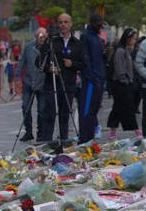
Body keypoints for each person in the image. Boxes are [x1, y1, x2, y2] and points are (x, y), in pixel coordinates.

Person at [41, 13, 84, 143]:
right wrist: (49, 68)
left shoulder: (77, 44)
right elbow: (40, 61)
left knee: (65, 115)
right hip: (52, 84)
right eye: (60, 22)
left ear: (70, 24)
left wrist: (72, 64)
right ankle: (47, 142)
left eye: (66, 22)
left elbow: (83, 64)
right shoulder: (51, 41)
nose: (63, 25)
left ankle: (64, 141)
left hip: (68, 84)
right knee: (49, 114)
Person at [107, 28, 140, 139]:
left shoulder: (125, 50)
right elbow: (120, 69)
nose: (134, 41)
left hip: (124, 83)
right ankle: (137, 131)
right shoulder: (120, 51)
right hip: (121, 84)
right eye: (133, 39)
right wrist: (127, 81)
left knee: (118, 107)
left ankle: (113, 131)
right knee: (128, 107)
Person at [78, 13, 106, 144]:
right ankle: (85, 138)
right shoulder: (86, 37)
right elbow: (86, 59)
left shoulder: (97, 38)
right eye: (98, 25)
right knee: (87, 110)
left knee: (94, 109)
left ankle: (90, 136)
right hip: (90, 80)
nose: (100, 27)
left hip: (99, 78)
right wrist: (92, 76)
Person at [16, 27, 47, 141]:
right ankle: (28, 131)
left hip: (43, 82)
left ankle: (40, 133)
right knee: (25, 106)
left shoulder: (48, 48)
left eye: (43, 36)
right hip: (29, 81)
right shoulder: (29, 47)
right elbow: (22, 62)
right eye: (39, 36)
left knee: (42, 109)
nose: (41, 39)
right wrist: (18, 77)